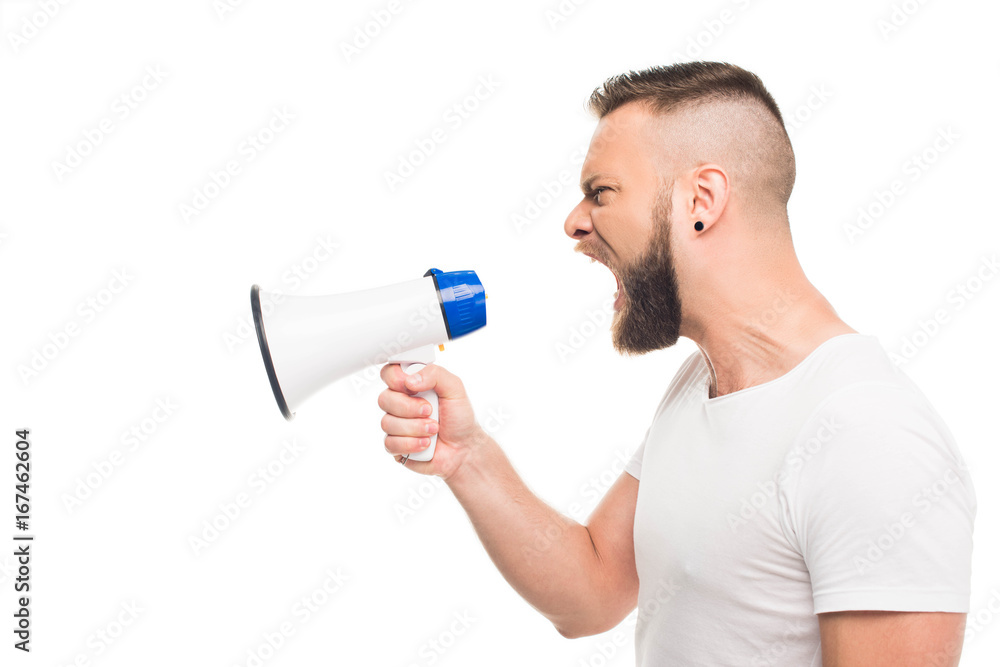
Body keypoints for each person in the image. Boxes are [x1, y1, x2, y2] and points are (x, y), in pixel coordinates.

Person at [377, 61, 976, 666]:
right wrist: (467, 457)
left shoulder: (869, 434)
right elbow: (594, 592)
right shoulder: (703, 384)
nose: (574, 222)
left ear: (701, 201)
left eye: (601, 192)